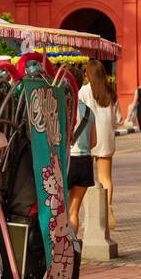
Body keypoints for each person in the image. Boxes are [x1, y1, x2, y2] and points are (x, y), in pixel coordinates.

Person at [79, 59, 119, 228]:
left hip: (89, 137)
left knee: (87, 179)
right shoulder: (111, 92)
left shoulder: (83, 91)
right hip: (107, 137)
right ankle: (106, 214)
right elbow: (118, 119)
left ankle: (91, 216)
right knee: (106, 178)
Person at [65, 67, 98, 235]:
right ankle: (74, 248)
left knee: (61, 211)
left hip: (67, 161)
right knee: (74, 210)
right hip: (84, 162)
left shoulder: (61, 109)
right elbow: (94, 142)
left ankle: (62, 251)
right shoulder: (88, 111)